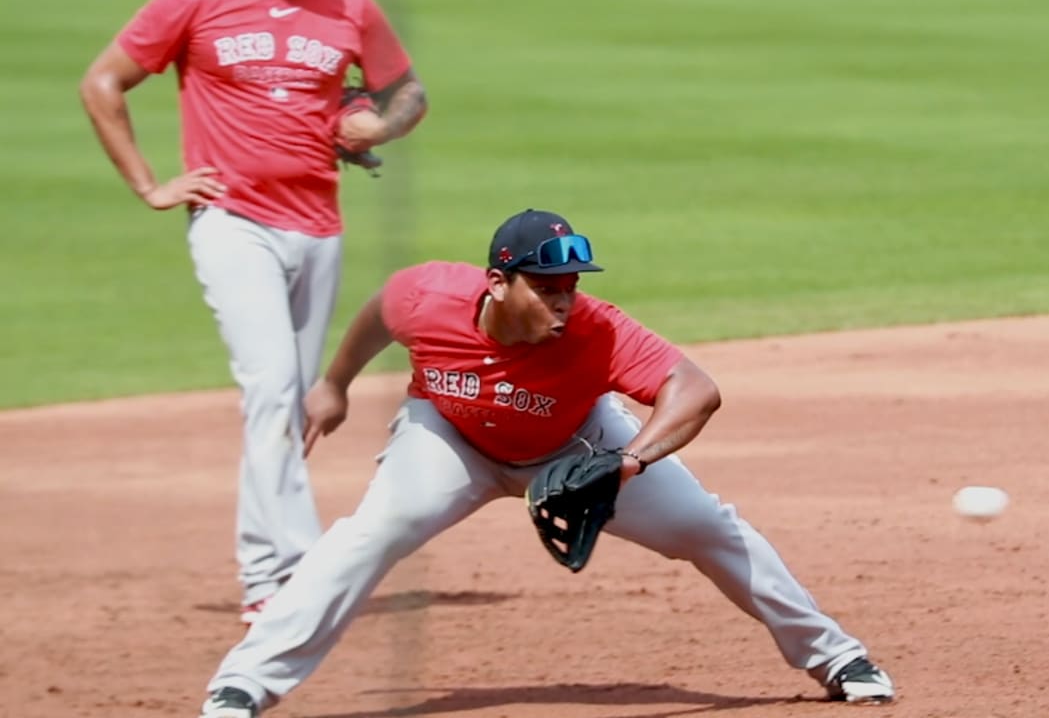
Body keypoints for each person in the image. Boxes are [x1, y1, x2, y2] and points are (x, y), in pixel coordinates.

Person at [195, 208, 897, 717]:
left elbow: (695, 389)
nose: (563, 301)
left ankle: (837, 658)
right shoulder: (430, 295)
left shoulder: (597, 329)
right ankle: (244, 684)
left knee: (706, 527)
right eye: (545, 286)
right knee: (368, 535)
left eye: (570, 286)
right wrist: (334, 383)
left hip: (577, 445)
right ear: (498, 283)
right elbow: (382, 312)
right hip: (448, 439)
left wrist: (628, 462)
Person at [78, 0, 428, 625]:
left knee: (289, 404)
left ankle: (263, 574)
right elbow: (101, 83)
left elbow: (408, 91)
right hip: (232, 222)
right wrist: (149, 185)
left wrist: (374, 127)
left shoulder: (347, 3)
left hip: (318, 226)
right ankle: (300, 570)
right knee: (270, 388)